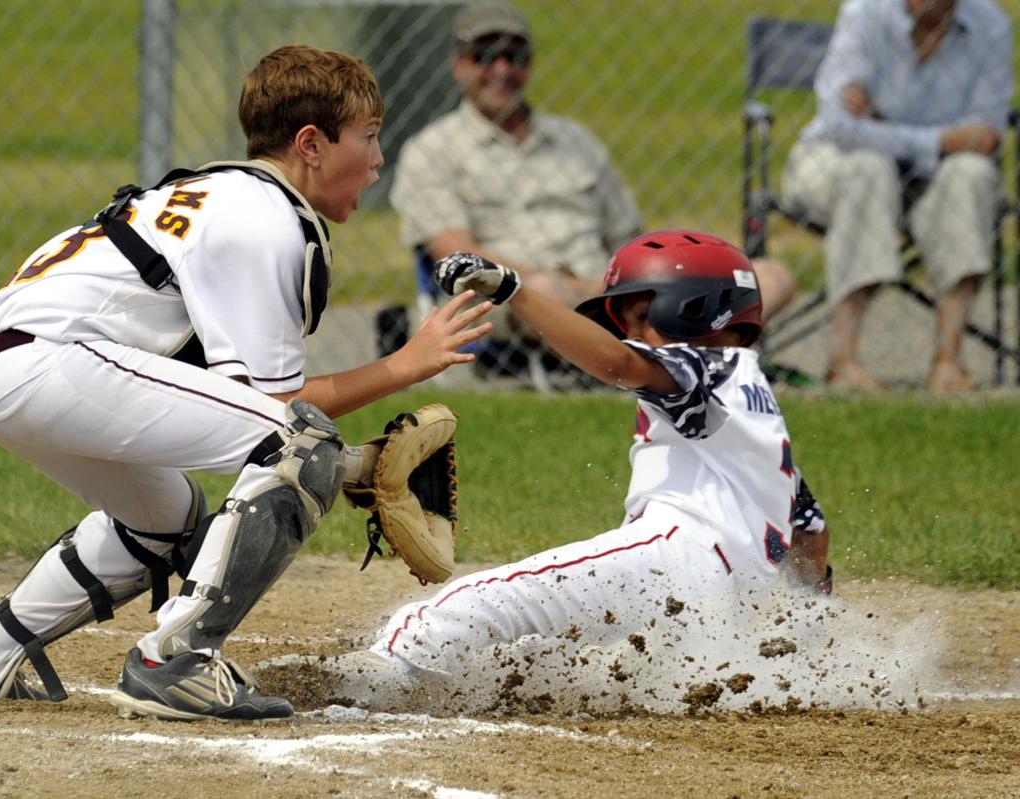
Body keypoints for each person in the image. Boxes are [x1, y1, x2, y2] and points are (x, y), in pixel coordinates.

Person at [0, 45, 493, 723]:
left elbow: (225, 394)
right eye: (368, 136)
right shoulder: (267, 220)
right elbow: (280, 414)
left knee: (164, 518)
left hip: (1, 361)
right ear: (311, 144)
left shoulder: (224, 191)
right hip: (45, 360)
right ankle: (175, 660)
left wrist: (350, 461)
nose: (379, 158)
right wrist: (404, 367)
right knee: (301, 445)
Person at [273, 230, 831, 702]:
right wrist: (810, 614)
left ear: (691, 309)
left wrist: (516, 291)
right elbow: (810, 531)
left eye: (638, 316)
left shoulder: (702, 362)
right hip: (726, 602)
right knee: (548, 645)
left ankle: (373, 677)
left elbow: (615, 363)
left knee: (474, 606)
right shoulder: (755, 397)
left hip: (675, 559)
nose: (630, 335)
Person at [389, 0, 798, 386]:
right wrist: (556, 287)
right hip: (518, 297)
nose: (501, 69)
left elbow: (632, 237)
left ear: (529, 64)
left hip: (612, 290)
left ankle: (679, 370)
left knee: (765, 277)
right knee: (548, 290)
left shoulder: (575, 141)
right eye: (484, 55)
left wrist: (638, 284)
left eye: (513, 56)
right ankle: (693, 361)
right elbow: (460, 257)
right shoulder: (431, 151)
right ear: (458, 63)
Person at [782, 0, 1013, 393]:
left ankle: (947, 362)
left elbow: (985, 134)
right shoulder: (865, 14)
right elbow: (841, 128)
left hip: (931, 179)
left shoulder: (991, 25)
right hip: (835, 166)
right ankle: (844, 362)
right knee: (870, 170)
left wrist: (880, 122)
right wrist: (941, 139)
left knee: (971, 175)